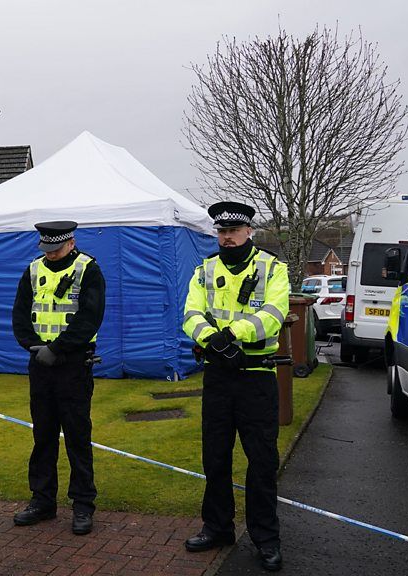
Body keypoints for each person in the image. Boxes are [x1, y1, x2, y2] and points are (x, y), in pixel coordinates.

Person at [181, 202, 289, 572]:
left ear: (249, 232)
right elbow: (191, 314)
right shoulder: (204, 270)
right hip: (218, 377)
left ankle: (266, 538)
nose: (227, 237)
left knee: (261, 461)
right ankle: (217, 527)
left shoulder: (272, 268)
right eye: (221, 231)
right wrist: (213, 340)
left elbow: (274, 313)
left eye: (234, 230)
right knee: (215, 457)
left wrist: (231, 335)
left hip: (257, 375)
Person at [11, 221, 106, 535]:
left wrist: (59, 349)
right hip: (40, 363)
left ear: (71, 242)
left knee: (77, 437)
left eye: (55, 249)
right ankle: (42, 501)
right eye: (46, 249)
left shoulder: (88, 270)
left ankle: (82, 505)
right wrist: (34, 346)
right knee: (43, 436)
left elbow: (89, 318)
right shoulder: (33, 270)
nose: (50, 254)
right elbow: (21, 314)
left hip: (73, 365)